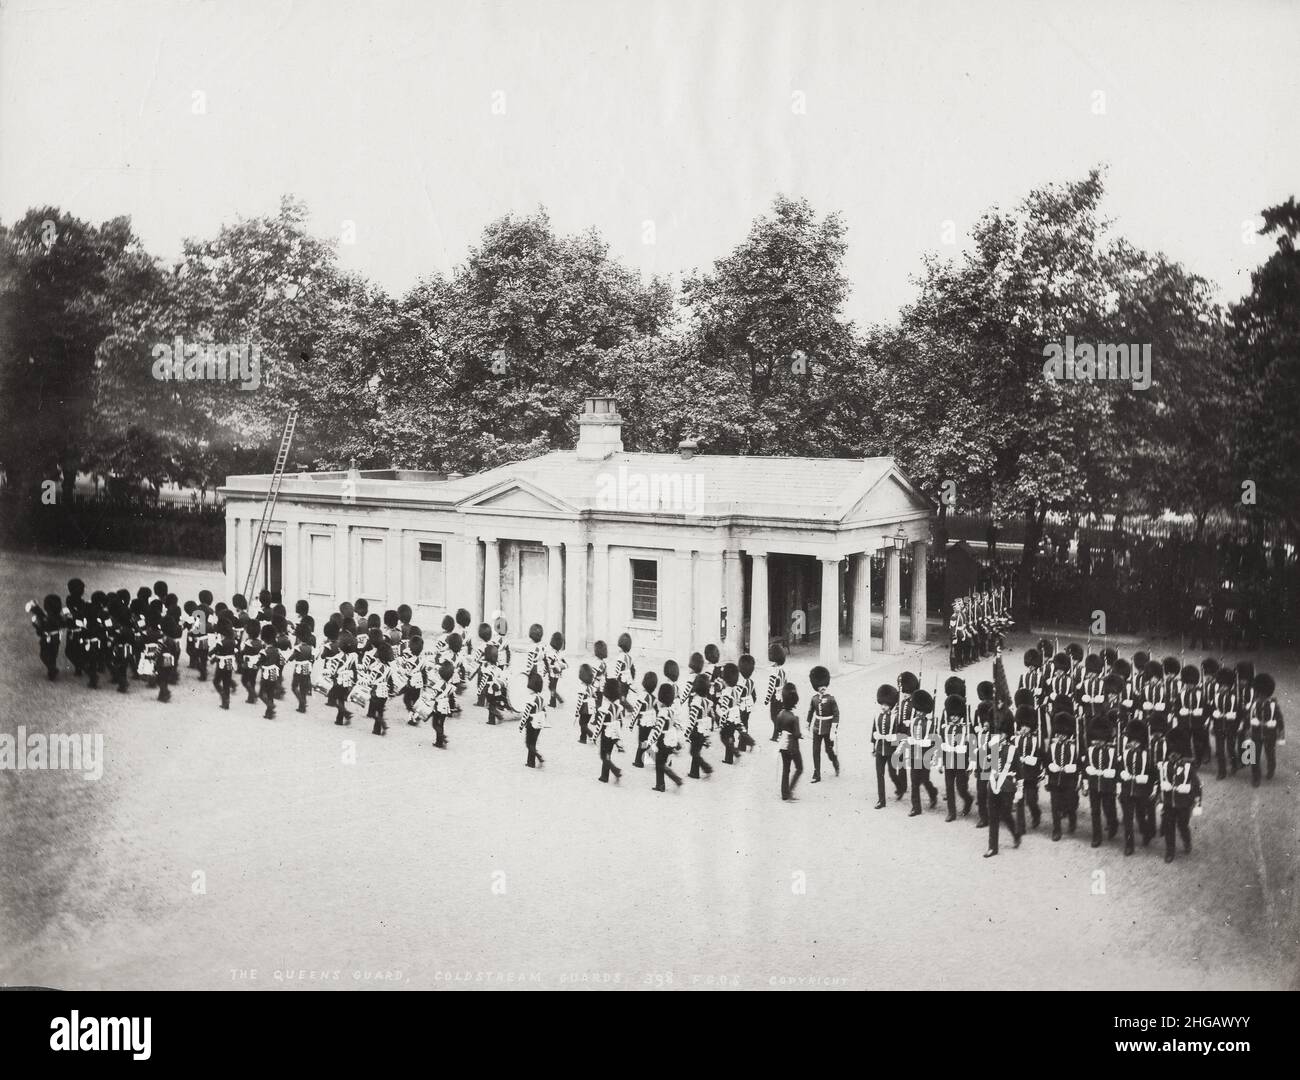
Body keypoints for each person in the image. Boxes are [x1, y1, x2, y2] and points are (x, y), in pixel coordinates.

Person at [1159, 729, 1202, 863]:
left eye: (1175, 754)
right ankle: (1169, 851)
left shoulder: (1188, 767)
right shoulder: (1165, 766)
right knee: (1168, 827)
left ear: (1180, 754)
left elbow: (1197, 786)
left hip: (1183, 803)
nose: (1172, 757)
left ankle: (1187, 841)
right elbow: (1160, 783)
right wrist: (1160, 799)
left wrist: (1192, 795)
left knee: (1183, 825)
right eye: (1171, 754)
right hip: (1168, 802)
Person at [984, 713, 1021, 857]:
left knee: (1005, 814)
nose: (998, 735)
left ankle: (1015, 833)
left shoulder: (1012, 750)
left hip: (1007, 786)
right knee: (992, 816)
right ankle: (992, 847)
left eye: (1001, 733)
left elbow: (1019, 771)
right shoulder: (992, 747)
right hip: (993, 785)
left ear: (1006, 734)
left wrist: (1019, 789)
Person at [1118, 718, 1156, 854]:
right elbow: (1120, 768)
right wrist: (1122, 774)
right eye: (1131, 741)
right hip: (1127, 790)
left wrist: (1146, 781)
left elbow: (1152, 774)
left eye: (1136, 741)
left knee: (1140, 816)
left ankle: (1146, 833)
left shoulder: (1147, 755)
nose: (1133, 744)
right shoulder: (1125, 753)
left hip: (1141, 791)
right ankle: (1129, 845)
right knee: (1128, 819)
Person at [1044, 709, 1081, 841]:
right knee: (1055, 806)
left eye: (1063, 734)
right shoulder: (1053, 746)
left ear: (1067, 734)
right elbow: (1047, 761)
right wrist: (1050, 768)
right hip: (1055, 781)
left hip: (1069, 781)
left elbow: (1078, 764)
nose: (1060, 736)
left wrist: (1072, 769)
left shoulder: (1073, 747)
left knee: (1070, 804)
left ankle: (1072, 819)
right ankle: (1056, 830)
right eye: (1058, 734)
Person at [1084, 715, 1119, 847]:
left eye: (1100, 740)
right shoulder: (1090, 750)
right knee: (1095, 811)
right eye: (1095, 740)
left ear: (1105, 739)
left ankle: (1113, 823)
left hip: (1107, 786)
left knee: (1108, 808)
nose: (1097, 742)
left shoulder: (1111, 751)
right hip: (1094, 785)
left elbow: (1116, 768)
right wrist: (1086, 783)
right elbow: (1086, 765)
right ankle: (1096, 836)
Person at [871, 683, 906, 808]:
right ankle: (881, 800)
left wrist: (894, 738)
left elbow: (902, 734)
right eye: (882, 704)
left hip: (891, 750)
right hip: (880, 750)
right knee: (879, 775)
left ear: (890, 705)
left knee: (892, 773)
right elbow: (873, 731)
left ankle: (900, 787)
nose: (883, 707)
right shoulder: (877, 716)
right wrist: (873, 747)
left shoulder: (895, 718)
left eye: (886, 705)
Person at [905, 689, 939, 817]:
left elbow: (933, 740)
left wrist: (926, 742)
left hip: (925, 756)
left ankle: (933, 792)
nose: (919, 713)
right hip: (915, 755)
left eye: (921, 711)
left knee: (925, 780)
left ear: (926, 712)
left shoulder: (930, 723)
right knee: (914, 781)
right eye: (918, 710)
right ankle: (916, 807)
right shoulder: (913, 721)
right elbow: (909, 736)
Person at [940, 692, 974, 820]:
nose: (953, 717)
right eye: (951, 715)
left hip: (961, 761)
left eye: (956, 715)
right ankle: (951, 812)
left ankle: (968, 800)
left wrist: (971, 762)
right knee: (949, 787)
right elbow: (942, 743)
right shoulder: (946, 728)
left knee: (961, 788)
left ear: (960, 715)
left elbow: (971, 746)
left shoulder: (966, 729)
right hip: (949, 760)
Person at [1247, 672, 1285, 785]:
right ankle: (1255, 776)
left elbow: (1280, 719)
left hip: (1270, 735)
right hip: (1256, 734)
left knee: (1270, 754)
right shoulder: (1254, 704)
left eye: (1264, 695)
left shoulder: (1273, 705)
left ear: (1268, 694)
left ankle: (1271, 769)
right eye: (1259, 695)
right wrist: (1249, 724)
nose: (1261, 697)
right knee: (1254, 756)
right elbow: (1248, 716)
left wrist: (1280, 734)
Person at [807, 666, 841, 783]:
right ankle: (817, 773)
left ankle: (835, 762)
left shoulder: (831, 699)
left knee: (828, 750)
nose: (822, 688)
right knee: (815, 751)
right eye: (820, 686)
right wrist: (807, 724)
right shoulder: (814, 699)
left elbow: (836, 714)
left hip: (828, 730)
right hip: (817, 728)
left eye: (824, 686)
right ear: (816, 686)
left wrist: (833, 729)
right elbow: (811, 711)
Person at [651, 683, 684, 792]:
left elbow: (658, 729)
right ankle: (666, 782)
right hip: (671, 739)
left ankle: (663, 784)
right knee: (662, 763)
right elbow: (676, 725)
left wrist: (651, 740)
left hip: (663, 741)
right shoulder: (671, 711)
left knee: (659, 764)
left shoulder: (662, 713)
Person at [775, 683, 803, 801]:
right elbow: (797, 734)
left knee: (786, 770)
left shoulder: (780, 714)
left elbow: (777, 730)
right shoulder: (794, 717)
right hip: (793, 746)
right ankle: (790, 791)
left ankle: (784, 794)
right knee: (799, 768)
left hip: (782, 745)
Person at [595, 677, 625, 784]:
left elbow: (599, 724)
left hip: (606, 732)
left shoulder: (605, 708)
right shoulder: (618, 707)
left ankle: (614, 771)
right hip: (614, 733)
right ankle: (604, 775)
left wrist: (594, 736)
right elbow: (621, 721)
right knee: (608, 754)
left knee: (603, 755)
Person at [686, 673, 714, 780]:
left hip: (696, 729)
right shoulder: (707, 702)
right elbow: (711, 716)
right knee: (696, 751)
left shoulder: (695, 701)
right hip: (704, 729)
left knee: (693, 752)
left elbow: (692, 719)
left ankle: (706, 768)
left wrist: (687, 733)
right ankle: (694, 772)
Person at [630, 671, 659, 768]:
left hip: (643, 721)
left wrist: (631, 724)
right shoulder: (654, 698)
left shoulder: (641, 697)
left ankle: (639, 761)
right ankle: (653, 758)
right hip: (651, 722)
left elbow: (636, 711)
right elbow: (658, 711)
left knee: (642, 741)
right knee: (645, 741)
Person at [520, 670, 547, 768]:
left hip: (531, 723)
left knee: (528, 744)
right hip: (539, 722)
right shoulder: (541, 698)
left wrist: (521, 725)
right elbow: (545, 711)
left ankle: (538, 756)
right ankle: (531, 763)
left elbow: (526, 714)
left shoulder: (530, 698)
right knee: (533, 743)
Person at [765, 644, 787, 741]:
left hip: (775, 696)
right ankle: (776, 734)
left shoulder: (774, 672)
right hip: (782, 696)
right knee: (778, 715)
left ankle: (777, 734)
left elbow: (771, 687)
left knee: (773, 716)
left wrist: (767, 699)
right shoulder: (783, 671)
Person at [544, 632, 567, 708]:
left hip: (552, 672)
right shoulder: (559, 652)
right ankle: (552, 702)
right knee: (553, 687)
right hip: (558, 673)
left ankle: (558, 699)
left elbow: (549, 663)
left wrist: (547, 669)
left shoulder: (551, 652)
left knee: (551, 687)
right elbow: (565, 664)